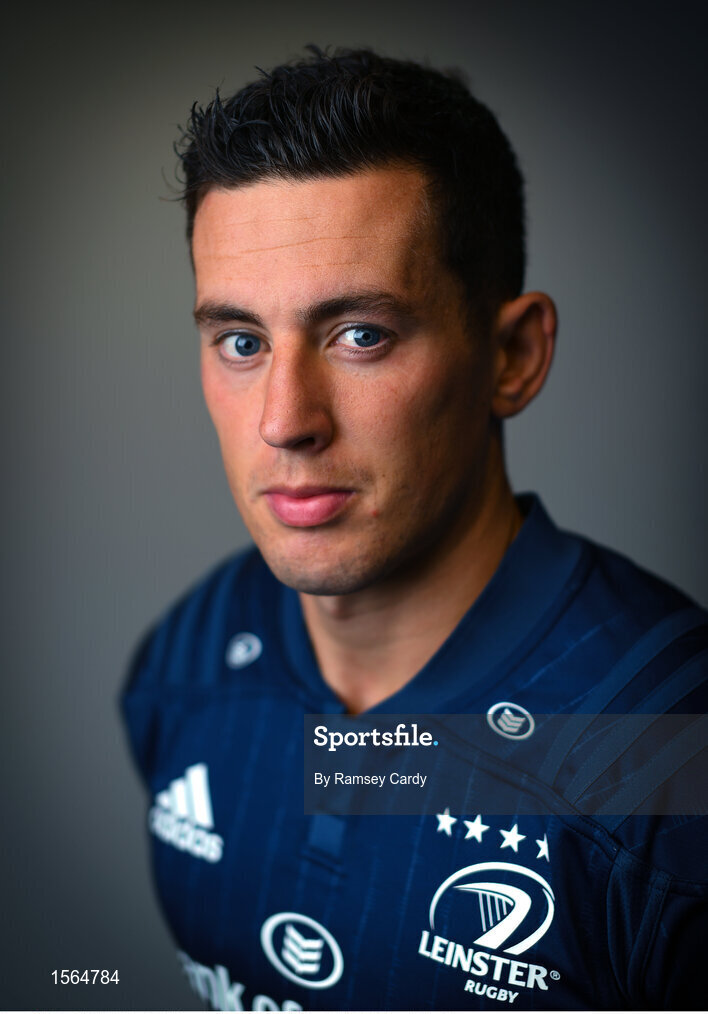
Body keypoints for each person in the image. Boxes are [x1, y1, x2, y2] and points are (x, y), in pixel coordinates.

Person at [122, 47, 707, 1010]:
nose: (284, 420)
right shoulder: (181, 665)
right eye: (241, 341)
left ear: (512, 356)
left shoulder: (671, 756)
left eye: (362, 335)